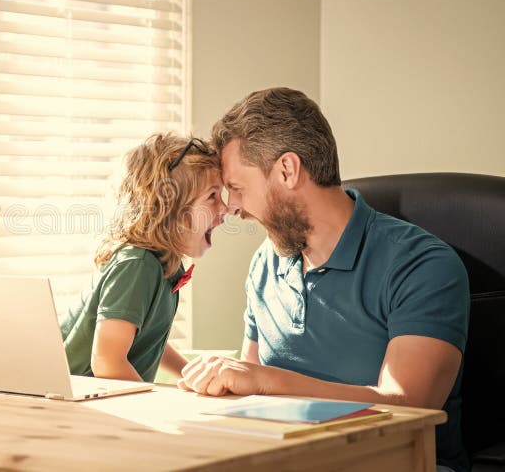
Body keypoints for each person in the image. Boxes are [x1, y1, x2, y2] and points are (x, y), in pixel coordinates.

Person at [178, 87, 470, 472]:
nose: (231, 207)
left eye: (236, 188)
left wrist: (268, 381)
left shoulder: (421, 264)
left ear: (287, 169)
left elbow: (407, 408)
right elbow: (246, 397)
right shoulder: (265, 264)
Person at [61, 133, 227, 383]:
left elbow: (145, 338)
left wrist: (190, 376)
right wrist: (152, 406)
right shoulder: (137, 265)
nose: (224, 208)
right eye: (212, 196)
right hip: (79, 403)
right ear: (169, 208)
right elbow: (107, 362)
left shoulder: (163, 265)